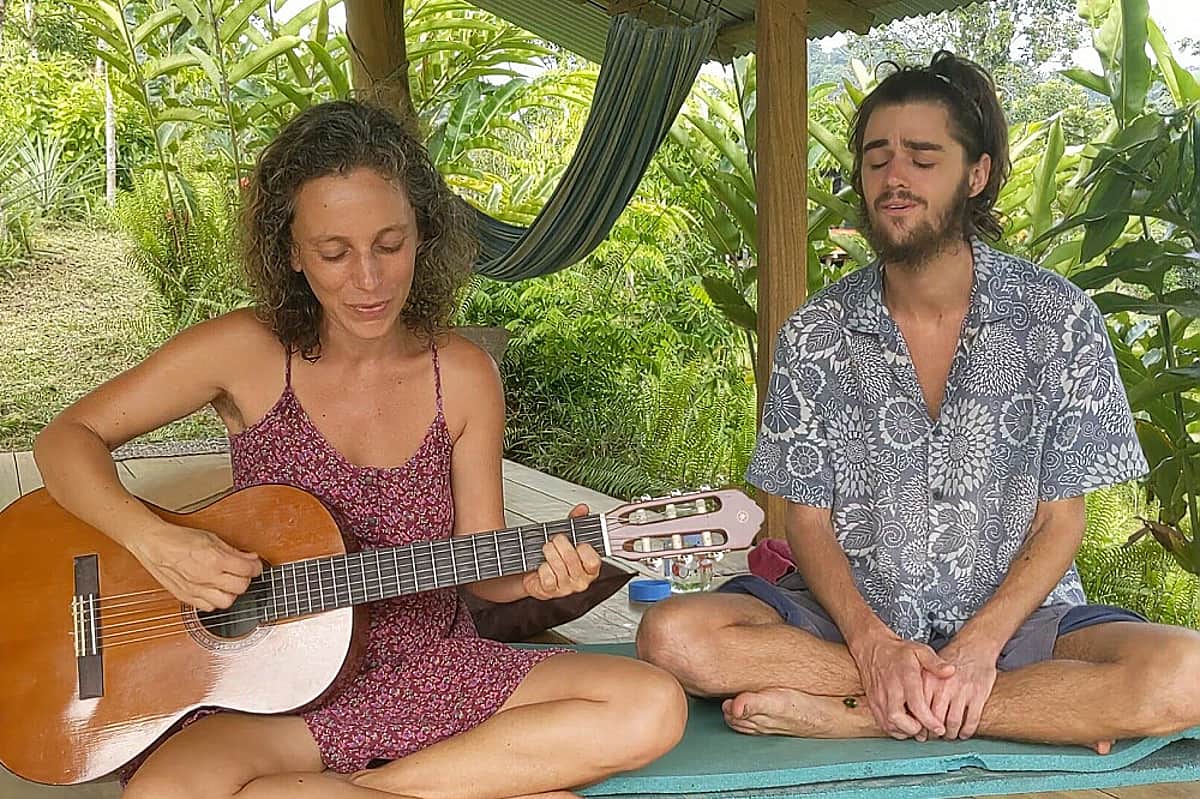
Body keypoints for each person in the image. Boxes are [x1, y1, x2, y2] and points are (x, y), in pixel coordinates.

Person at [33, 99, 686, 799]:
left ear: (423, 235)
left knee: (651, 704)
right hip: (269, 695)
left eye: (390, 243)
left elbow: (484, 564)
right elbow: (65, 440)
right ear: (290, 250)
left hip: (431, 668)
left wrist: (537, 577)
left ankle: (353, 788)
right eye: (334, 252)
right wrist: (159, 543)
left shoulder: (462, 376)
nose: (369, 280)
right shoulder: (245, 352)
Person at [636, 51, 1200, 753]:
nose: (893, 178)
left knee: (1188, 673)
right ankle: (979, 704)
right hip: (850, 619)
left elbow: (1061, 520)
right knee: (673, 636)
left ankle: (860, 713)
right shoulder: (817, 332)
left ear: (977, 173)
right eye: (877, 159)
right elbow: (805, 518)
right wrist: (873, 647)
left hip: (1019, 625)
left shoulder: (1058, 318)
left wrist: (978, 647)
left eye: (922, 157)